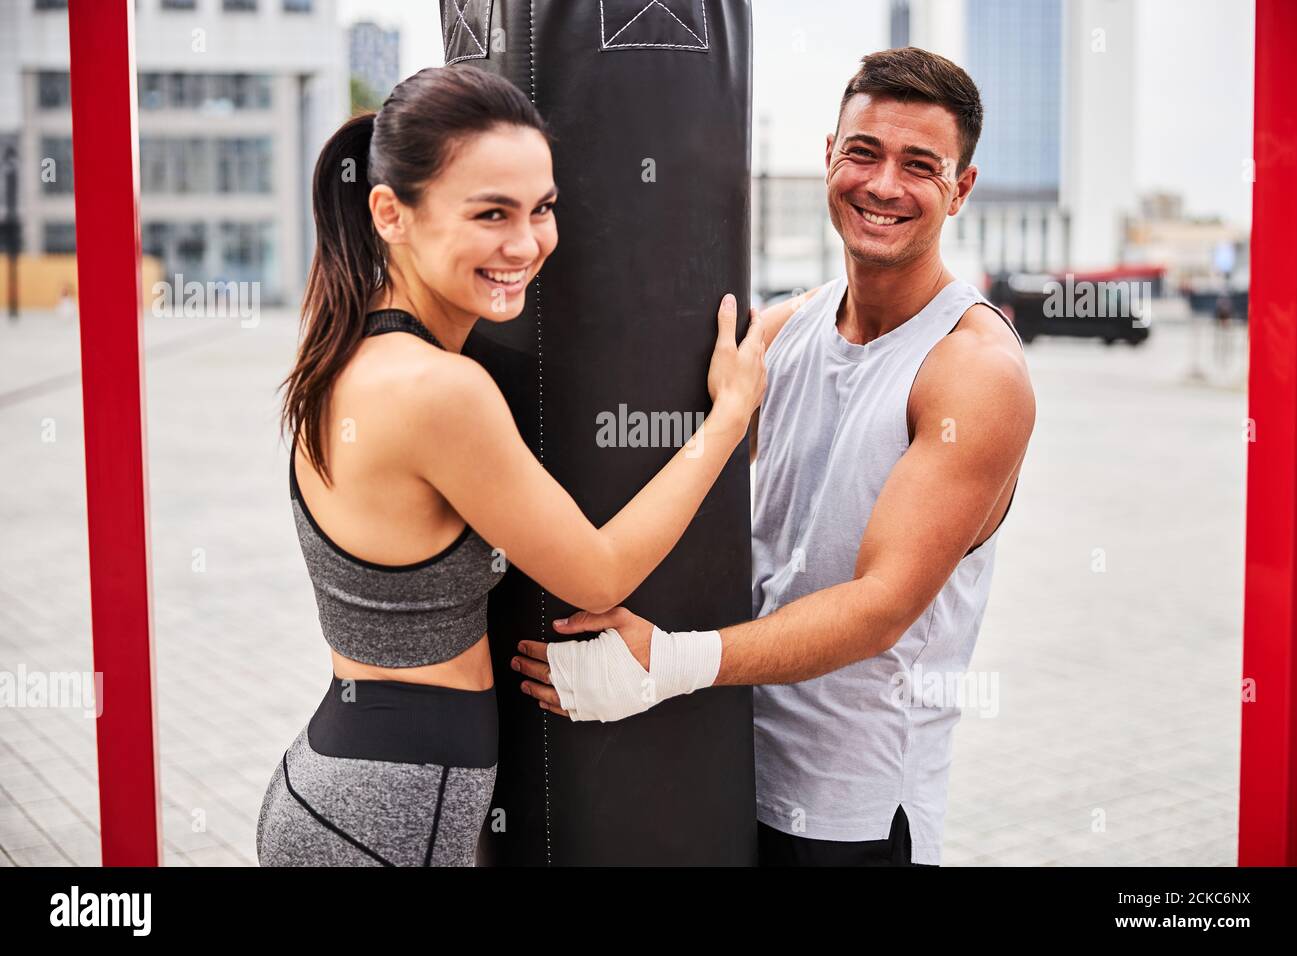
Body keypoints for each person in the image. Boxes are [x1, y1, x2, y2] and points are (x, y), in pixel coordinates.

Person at [514, 47, 1036, 867]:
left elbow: (882, 605)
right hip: (725, 771)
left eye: (920, 166)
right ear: (829, 155)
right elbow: (687, 490)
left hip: (849, 815)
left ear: (960, 189)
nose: (884, 184)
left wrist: (667, 664)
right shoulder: (784, 332)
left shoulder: (974, 372)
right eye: (863, 151)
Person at [255, 65, 766, 867]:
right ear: (390, 212)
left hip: (350, 793)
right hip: (386, 821)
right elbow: (598, 576)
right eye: (492, 213)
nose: (526, 244)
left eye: (543, 209)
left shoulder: (354, 350)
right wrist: (728, 419)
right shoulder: (441, 391)